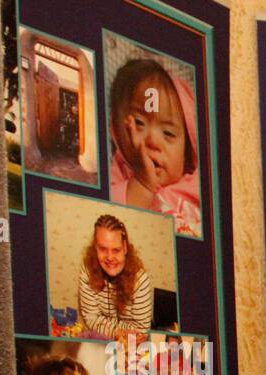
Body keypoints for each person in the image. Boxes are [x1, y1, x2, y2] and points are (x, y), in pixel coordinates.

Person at [108, 56, 202, 238]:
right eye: (138, 123)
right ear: (117, 132)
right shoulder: (117, 175)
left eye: (168, 133)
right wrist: (141, 184)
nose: (153, 141)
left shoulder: (198, 185)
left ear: (186, 152)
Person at [78, 214, 152, 340]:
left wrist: (104, 325)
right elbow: (91, 318)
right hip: (100, 339)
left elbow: (141, 332)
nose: (110, 257)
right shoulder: (87, 271)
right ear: (95, 247)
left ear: (125, 248)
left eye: (116, 250)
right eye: (102, 249)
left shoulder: (141, 280)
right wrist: (117, 332)